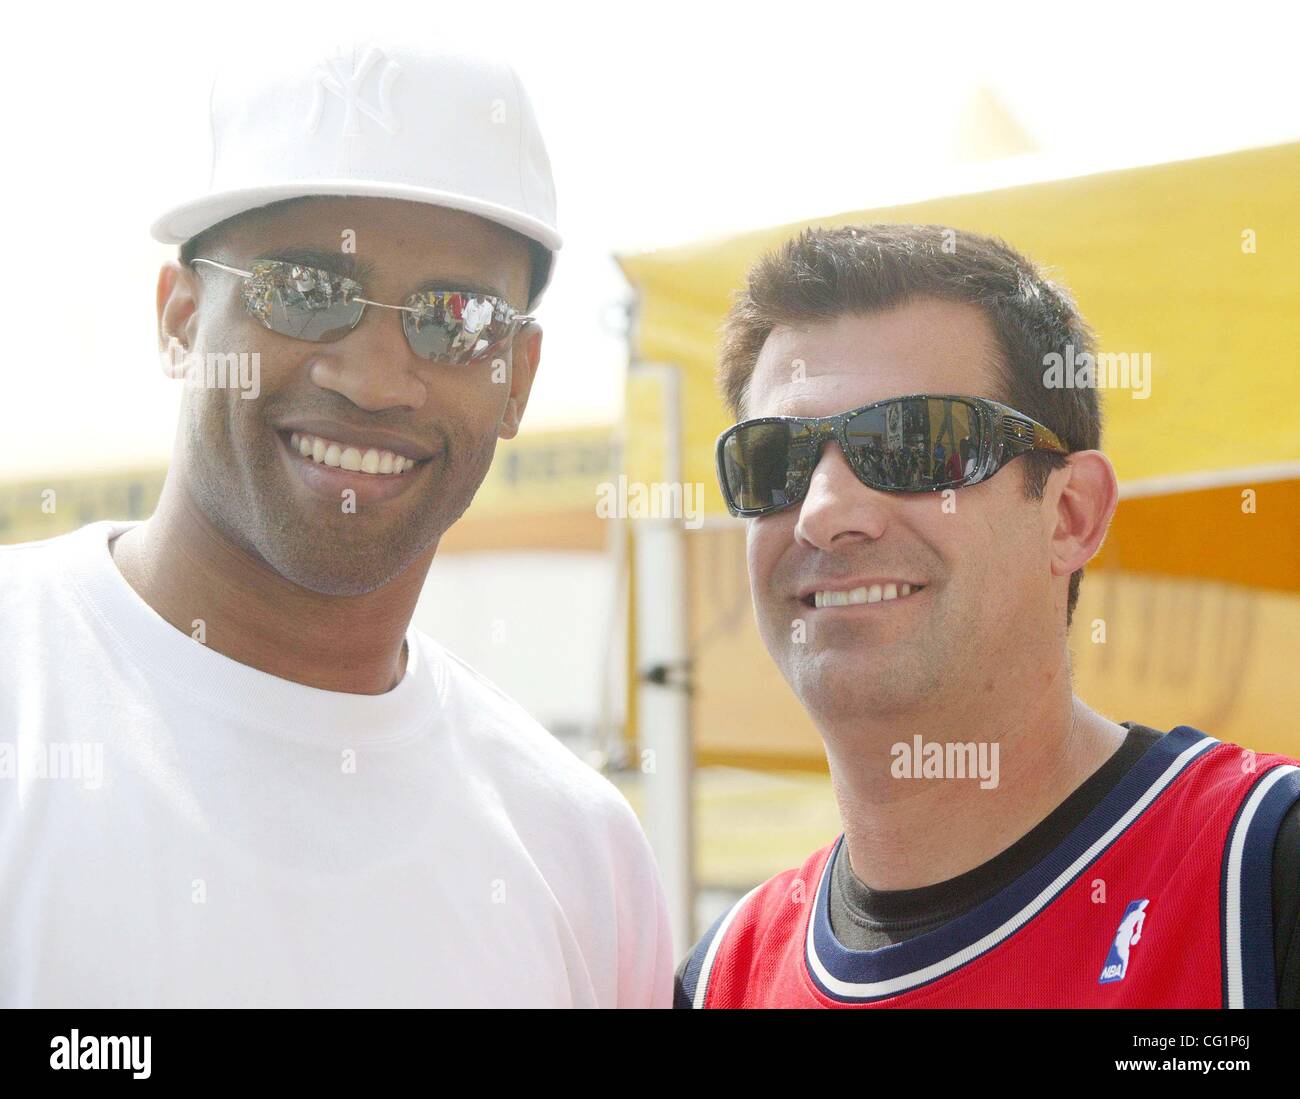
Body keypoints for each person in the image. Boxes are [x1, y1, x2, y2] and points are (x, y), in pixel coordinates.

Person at [0, 40, 672, 1008]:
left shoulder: (580, 857)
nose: (373, 378)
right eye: (307, 292)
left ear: (517, 379)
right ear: (181, 317)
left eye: (457, 319)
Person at [683, 224, 1300, 1008]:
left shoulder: (1259, 879)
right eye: (773, 461)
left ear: (1070, 513)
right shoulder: (722, 979)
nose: (825, 511)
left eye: (918, 443)